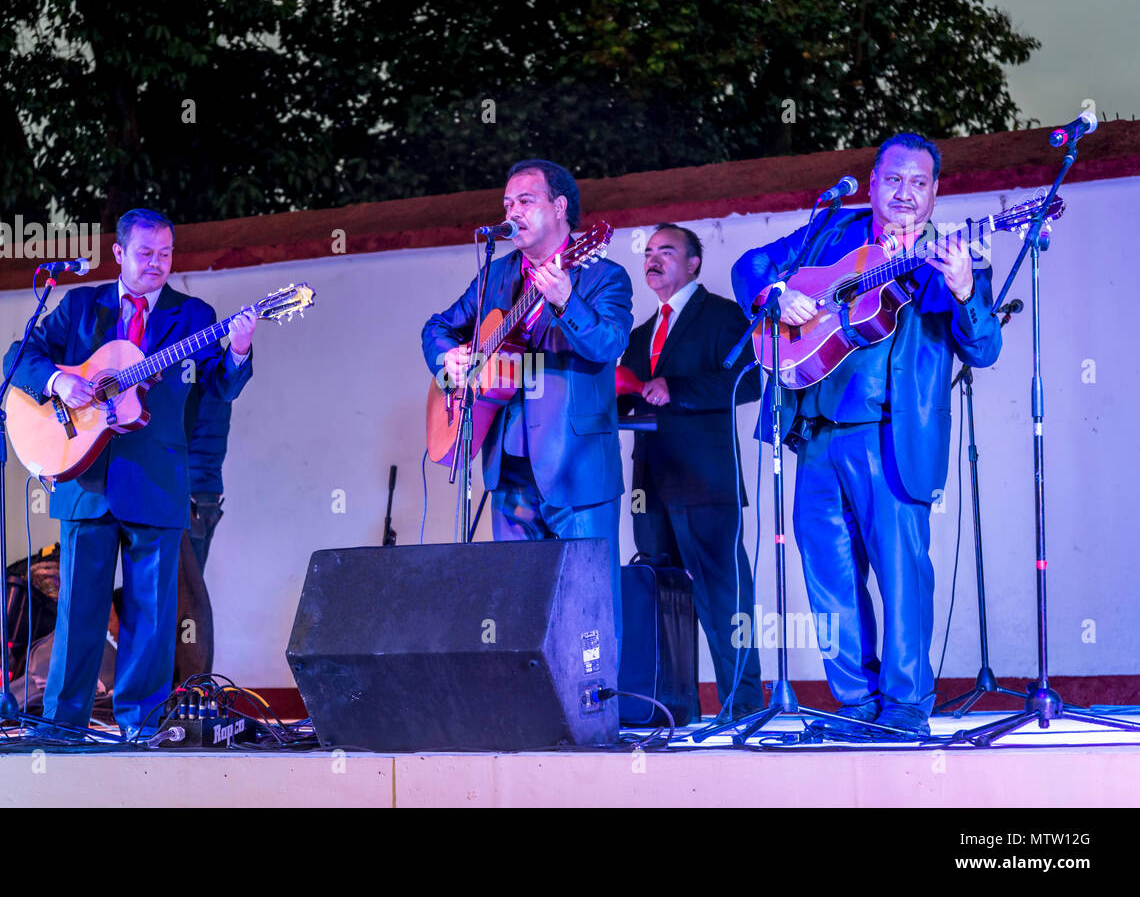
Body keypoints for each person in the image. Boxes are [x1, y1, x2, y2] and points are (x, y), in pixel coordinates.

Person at [731, 133, 1002, 739]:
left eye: (919, 183)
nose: (905, 193)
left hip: (890, 439)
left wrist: (963, 289)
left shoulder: (952, 257)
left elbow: (984, 348)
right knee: (827, 577)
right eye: (893, 180)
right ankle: (855, 705)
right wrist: (777, 294)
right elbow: (748, 265)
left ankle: (906, 707)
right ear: (873, 183)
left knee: (904, 575)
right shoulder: (831, 233)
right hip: (817, 438)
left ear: (935, 194)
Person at [7, 208, 256, 737]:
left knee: (152, 616)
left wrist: (237, 349)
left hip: (157, 482)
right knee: (79, 614)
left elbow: (219, 388)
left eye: (166, 253)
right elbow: (20, 355)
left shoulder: (193, 316)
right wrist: (58, 382)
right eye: (146, 253)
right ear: (118, 253)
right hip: (84, 478)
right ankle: (61, 726)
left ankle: (140, 726)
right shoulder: (79, 306)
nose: (158, 264)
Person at [421, 159, 633, 642]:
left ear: (560, 208)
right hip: (508, 466)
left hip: (577, 468)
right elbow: (437, 326)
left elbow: (608, 345)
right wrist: (448, 359)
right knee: (519, 606)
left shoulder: (603, 274)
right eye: (507, 204)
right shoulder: (495, 276)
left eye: (526, 201)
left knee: (589, 606)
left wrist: (565, 301)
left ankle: (594, 714)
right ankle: (528, 716)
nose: (513, 212)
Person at [618, 223, 763, 720]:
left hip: (706, 483)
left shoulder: (723, 314)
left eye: (667, 251)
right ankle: (671, 710)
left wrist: (674, 388)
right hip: (651, 486)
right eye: (649, 253)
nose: (653, 259)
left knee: (724, 599)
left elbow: (748, 383)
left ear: (694, 263)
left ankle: (742, 710)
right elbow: (635, 394)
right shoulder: (639, 334)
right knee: (661, 602)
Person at [174, 386, 231, 685]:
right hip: (200, 492)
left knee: (187, 603)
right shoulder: (216, 366)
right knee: (188, 600)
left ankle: (191, 689)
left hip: (190, 492)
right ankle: (191, 687)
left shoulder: (199, 361)